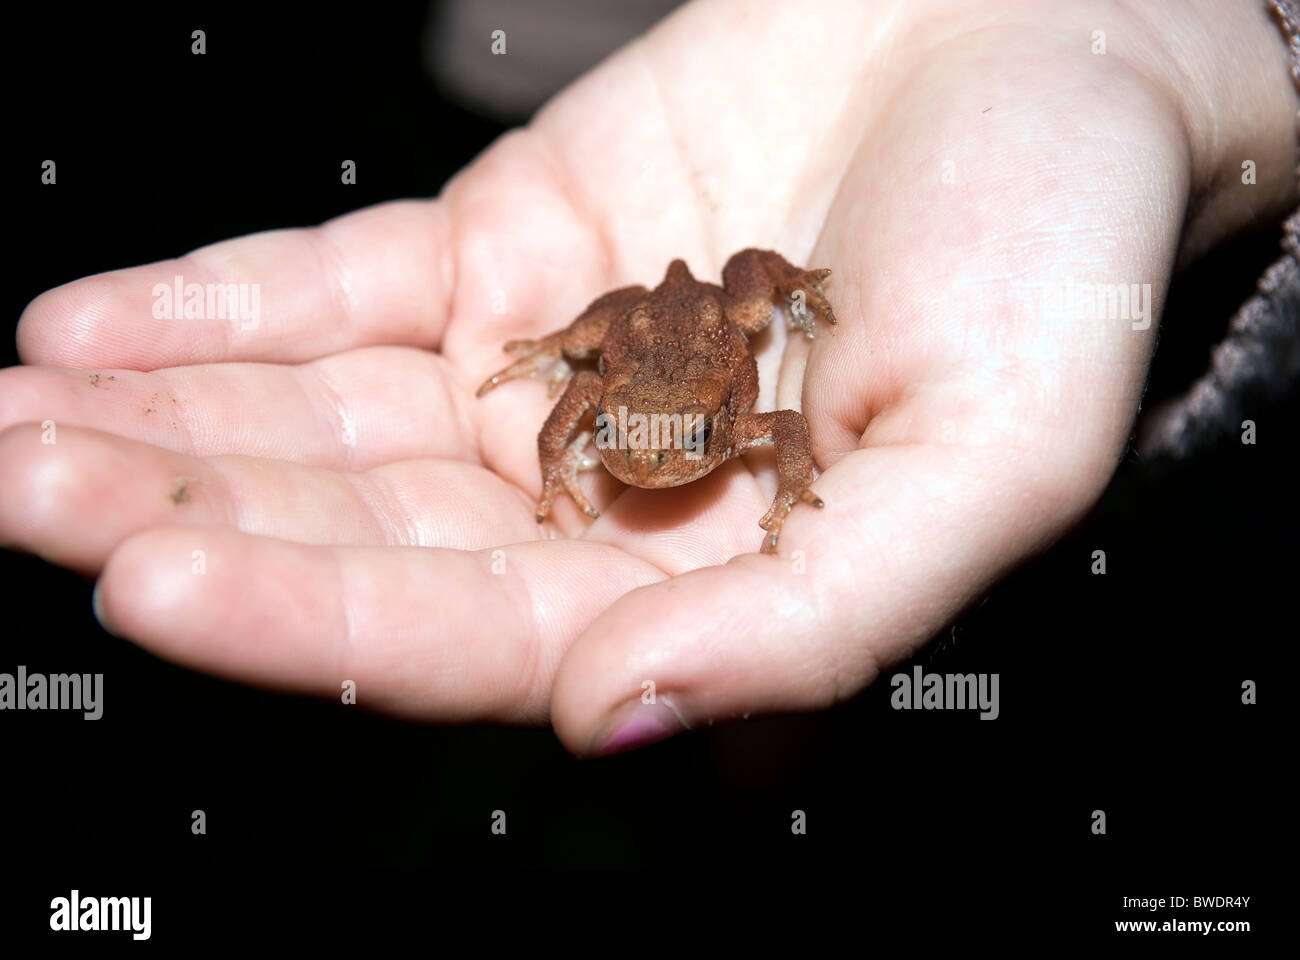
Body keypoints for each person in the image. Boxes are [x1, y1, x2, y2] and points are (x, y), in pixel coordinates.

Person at [2, 0, 1295, 755]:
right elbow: (593, 402)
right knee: (582, 335)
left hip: (711, 317)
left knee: (747, 291)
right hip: (624, 291)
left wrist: (787, 466)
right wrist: (570, 430)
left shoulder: (729, 425)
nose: (656, 461)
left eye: (674, 443)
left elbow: (784, 427)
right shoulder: (626, 420)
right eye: (637, 442)